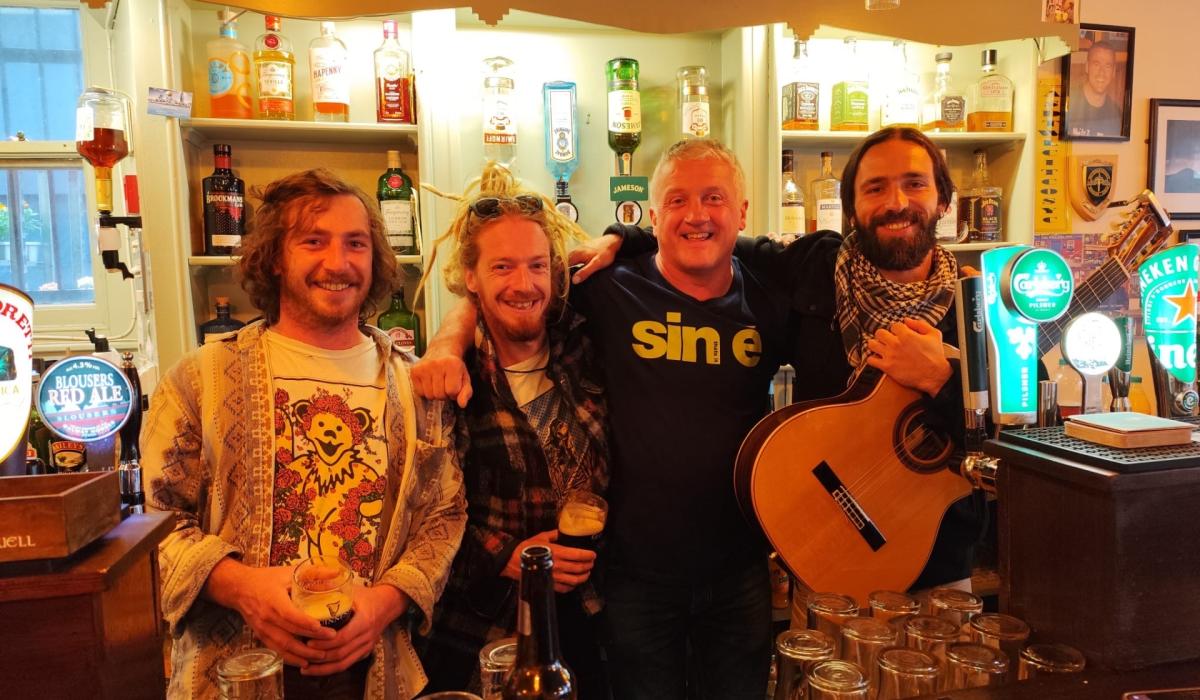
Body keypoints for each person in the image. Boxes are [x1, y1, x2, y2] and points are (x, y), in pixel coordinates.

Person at [415, 140, 819, 699]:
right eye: (677, 199)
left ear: (743, 213)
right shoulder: (606, 288)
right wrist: (445, 343)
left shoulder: (772, 302)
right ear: (654, 218)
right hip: (632, 579)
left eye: (714, 198)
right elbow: (504, 290)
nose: (697, 214)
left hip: (740, 570)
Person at [597, 127, 989, 593]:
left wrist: (942, 380)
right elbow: (708, 240)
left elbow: (1024, 442)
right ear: (851, 206)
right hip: (820, 554)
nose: (896, 202)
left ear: (945, 200)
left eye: (915, 184)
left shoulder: (978, 306)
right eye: (875, 187)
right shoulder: (814, 269)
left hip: (936, 566)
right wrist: (624, 237)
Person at [141, 168, 466, 699]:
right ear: (274, 256)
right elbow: (152, 527)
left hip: (375, 669)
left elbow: (445, 516)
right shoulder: (200, 379)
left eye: (355, 244)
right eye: (313, 241)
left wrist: (382, 603)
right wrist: (242, 587)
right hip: (234, 673)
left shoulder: (416, 384)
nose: (337, 263)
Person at [413, 165, 610, 697]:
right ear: (470, 280)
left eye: (536, 265)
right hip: (490, 627)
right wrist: (508, 556)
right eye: (502, 267)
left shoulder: (585, 344)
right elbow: (424, 518)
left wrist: (620, 238)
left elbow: (665, 250)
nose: (524, 284)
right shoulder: (449, 383)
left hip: (598, 619)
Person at [1067, 41, 1122, 137]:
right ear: (1087, 67)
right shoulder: (1068, 103)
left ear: (1113, 72)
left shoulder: (1117, 116)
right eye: (1096, 64)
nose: (1101, 73)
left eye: (1107, 66)